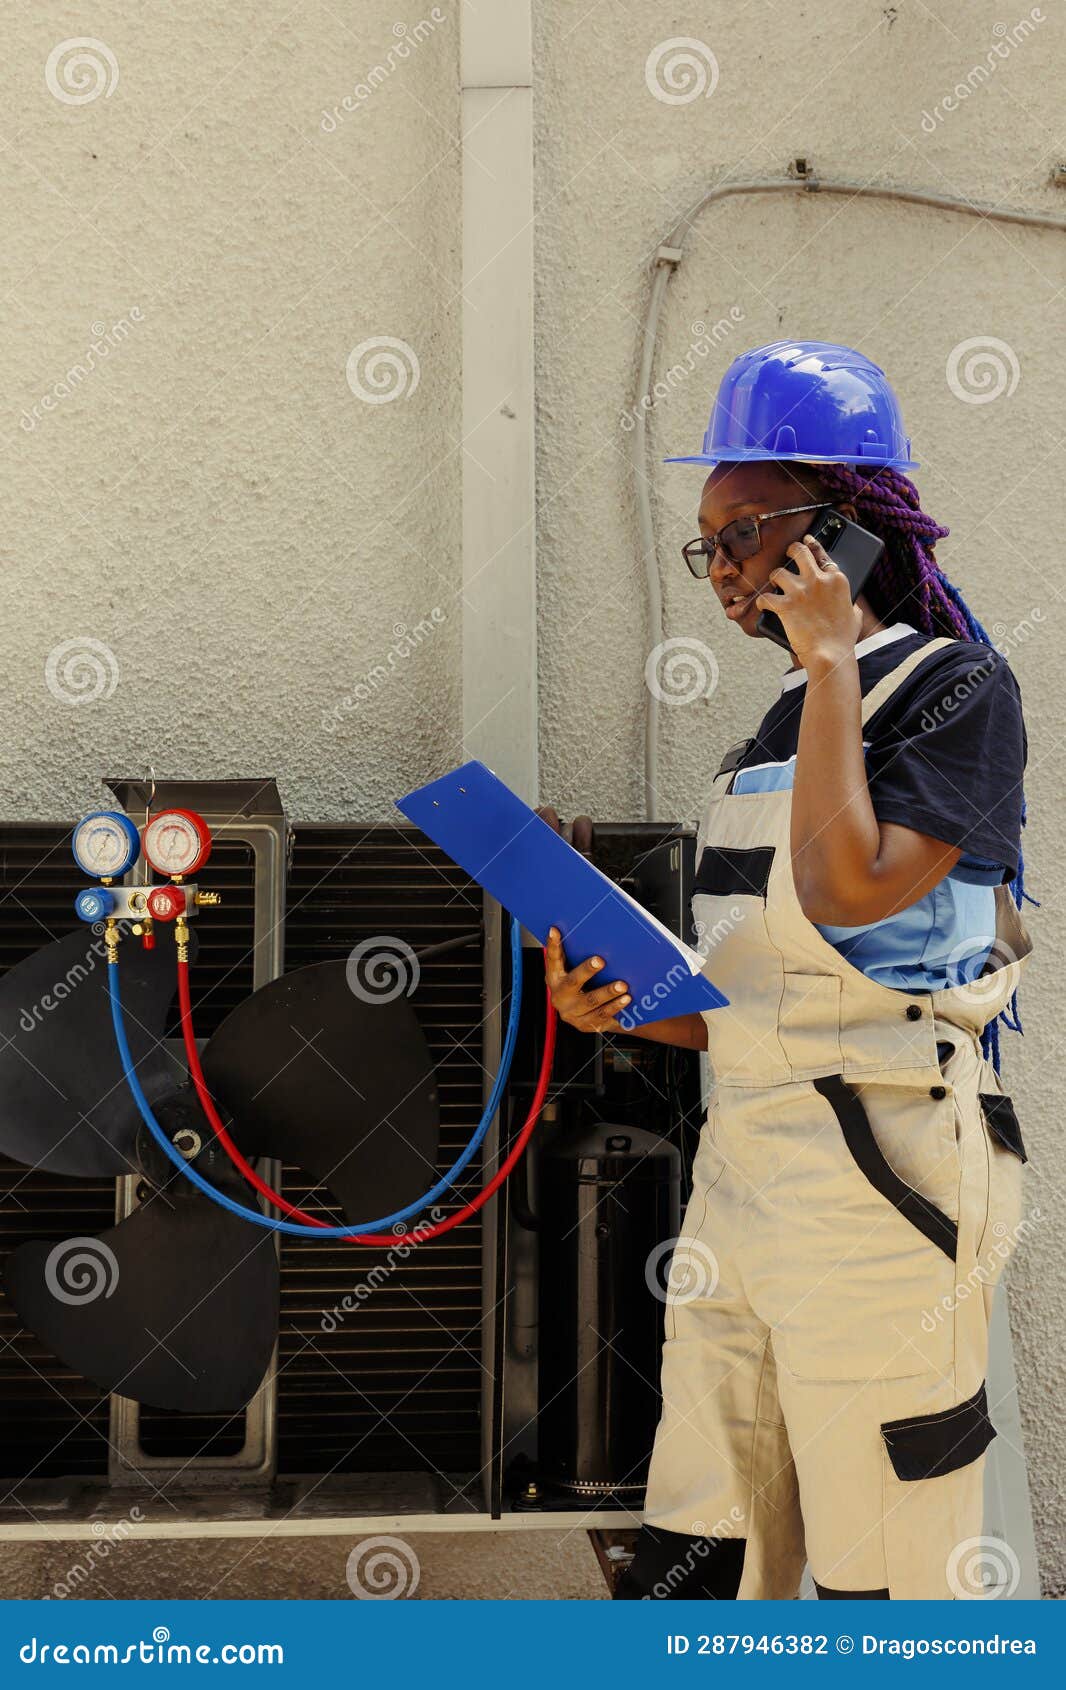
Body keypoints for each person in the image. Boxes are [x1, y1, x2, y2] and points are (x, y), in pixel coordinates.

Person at [544, 342, 1032, 1600]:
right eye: (705, 543)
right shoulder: (772, 732)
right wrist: (624, 1010)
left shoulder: (953, 689)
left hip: (880, 1170)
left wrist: (828, 666)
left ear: (846, 525)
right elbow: (758, 1002)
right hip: (745, 1172)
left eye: (745, 531)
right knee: (704, 1536)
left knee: (882, 1557)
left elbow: (844, 889)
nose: (721, 566)